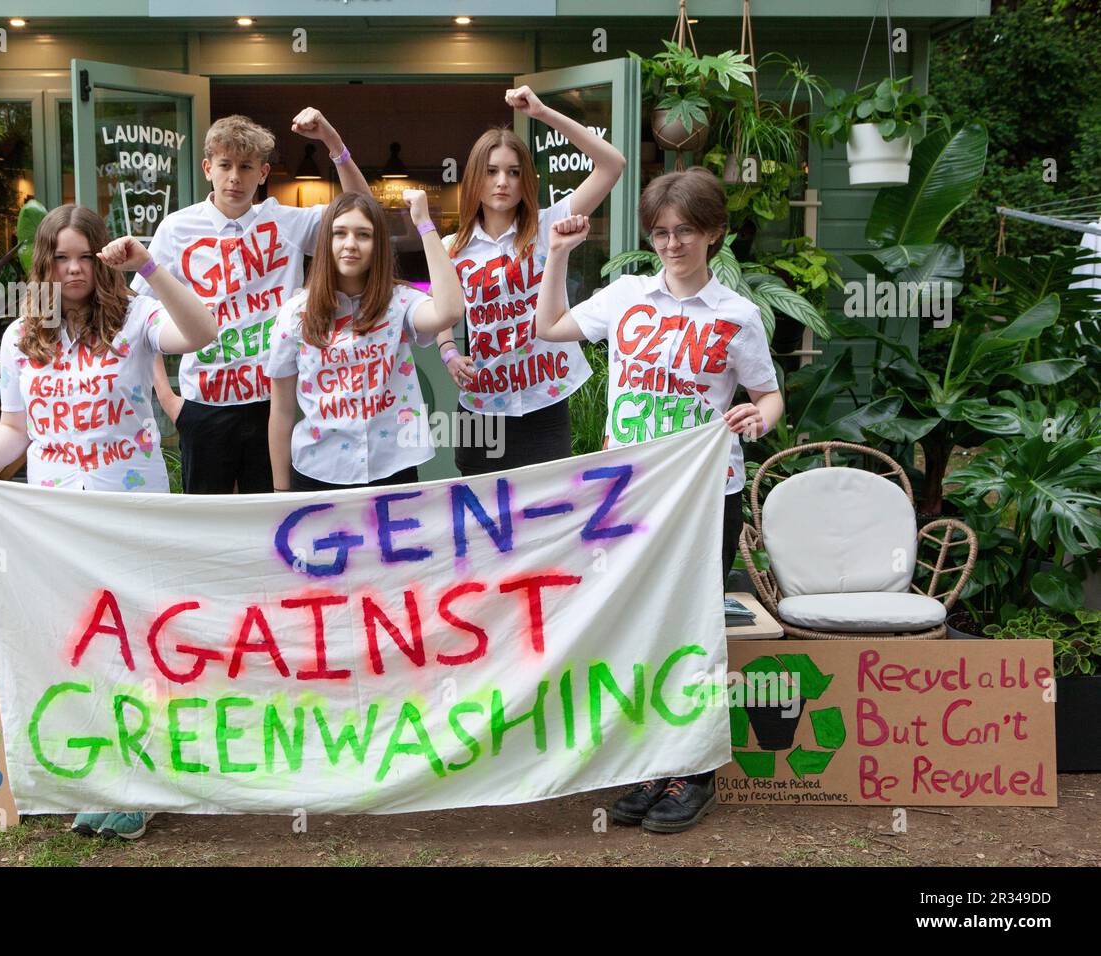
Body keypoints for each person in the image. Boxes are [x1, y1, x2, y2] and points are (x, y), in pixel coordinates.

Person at [0, 203, 218, 839]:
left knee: (139, 644)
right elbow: (16, 431)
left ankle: (143, 782)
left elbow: (200, 332)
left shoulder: (136, 317)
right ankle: (98, 780)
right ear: (43, 262)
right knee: (81, 646)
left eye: (84, 257)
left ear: (101, 259)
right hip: (55, 521)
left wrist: (148, 263)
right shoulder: (21, 337)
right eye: (59, 257)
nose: (72, 269)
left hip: (128, 511)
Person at [534, 167, 784, 834]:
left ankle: (693, 773)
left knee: (694, 626)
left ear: (714, 235)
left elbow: (767, 394)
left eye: (687, 232)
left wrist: (761, 418)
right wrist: (558, 250)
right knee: (643, 621)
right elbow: (551, 325)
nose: (673, 243)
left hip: (707, 494)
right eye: (662, 232)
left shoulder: (737, 316)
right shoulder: (626, 298)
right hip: (632, 492)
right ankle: (652, 762)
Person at [137, 110, 370, 494]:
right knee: (207, 519)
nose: (235, 177)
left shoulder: (286, 222)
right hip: (204, 403)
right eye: (225, 165)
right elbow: (143, 318)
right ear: (207, 167)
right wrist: (167, 397)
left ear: (263, 173)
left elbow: (361, 211)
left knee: (268, 516)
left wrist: (332, 141)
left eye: (246, 167)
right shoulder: (176, 228)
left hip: (271, 403)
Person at [434, 86, 626, 474]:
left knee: (545, 516)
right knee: (480, 515)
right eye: (491, 172)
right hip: (480, 405)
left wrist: (543, 113)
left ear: (526, 180)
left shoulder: (548, 225)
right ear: (474, 179)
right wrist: (449, 353)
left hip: (544, 398)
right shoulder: (450, 247)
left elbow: (612, 165)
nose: (502, 181)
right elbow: (444, 316)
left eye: (513, 172)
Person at [267, 190, 464, 491]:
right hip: (318, 471)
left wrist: (424, 223)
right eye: (339, 233)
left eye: (363, 235)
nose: (350, 244)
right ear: (326, 241)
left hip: (393, 469)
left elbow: (449, 310)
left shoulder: (399, 302)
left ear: (378, 245)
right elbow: (281, 411)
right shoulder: (294, 314)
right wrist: (280, 494)